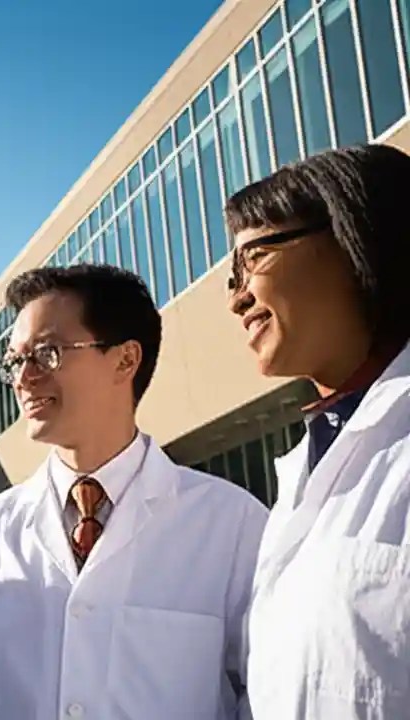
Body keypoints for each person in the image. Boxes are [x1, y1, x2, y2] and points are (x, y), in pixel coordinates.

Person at [0, 264, 268, 719]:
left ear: (125, 360)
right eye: (14, 362)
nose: (23, 378)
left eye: (46, 354)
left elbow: (268, 697)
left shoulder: (233, 524)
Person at [224, 144, 410, 719]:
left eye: (253, 257)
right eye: (231, 276)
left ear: (357, 237)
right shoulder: (304, 468)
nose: (236, 298)